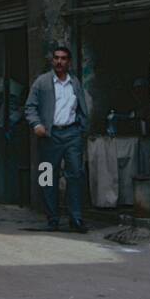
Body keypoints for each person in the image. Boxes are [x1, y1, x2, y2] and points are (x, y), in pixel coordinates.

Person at [24, 45, 90, 233]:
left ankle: (75, 218)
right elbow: (30, 107)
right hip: (49, 136)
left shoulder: (74, 83)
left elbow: (81, 107)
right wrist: (36, 125)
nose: (59, 61)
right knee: (46, 177)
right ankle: (52, 218)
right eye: (56, 58)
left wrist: (82, 128)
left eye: (63, 58)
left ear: (69, 62)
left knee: (75, 175)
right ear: (52, 60)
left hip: (72, 135)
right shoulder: (42, 82)